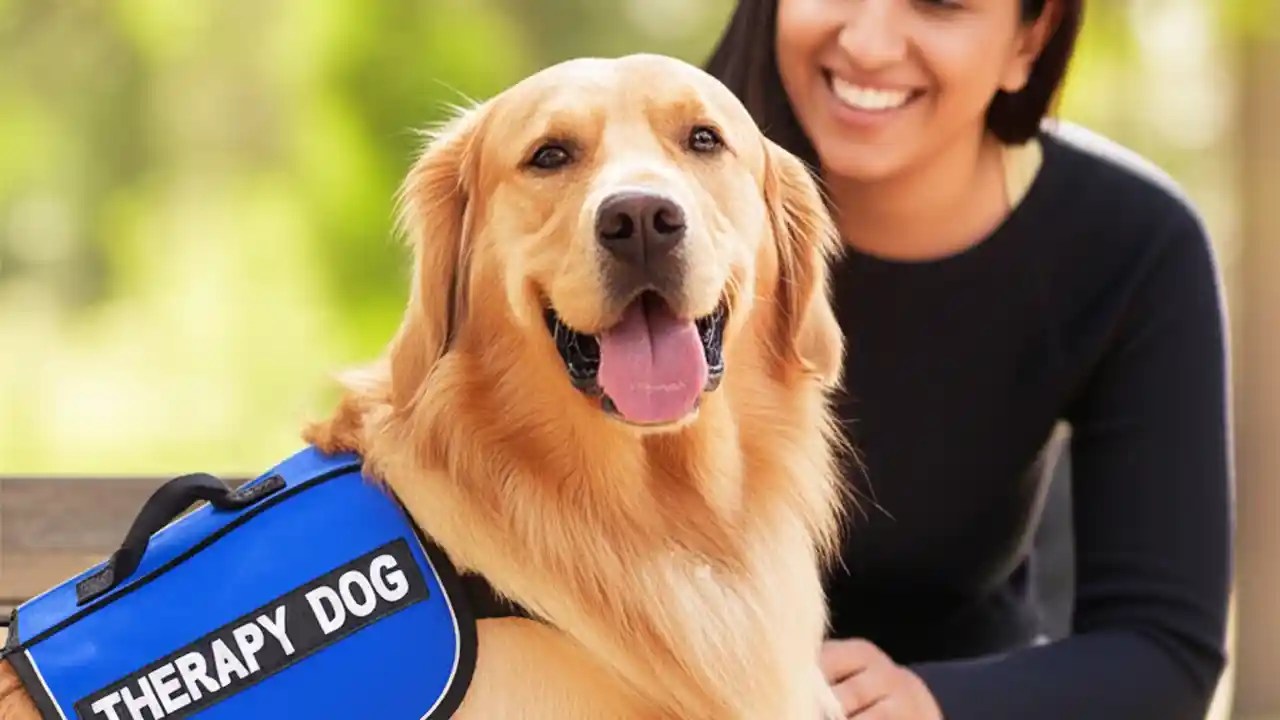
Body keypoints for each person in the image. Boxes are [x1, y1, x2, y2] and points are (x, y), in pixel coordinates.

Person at [704, 1, 1234, 718]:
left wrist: (931, 703)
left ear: (1031, 38)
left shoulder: (1129, 245)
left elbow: (1163, 652)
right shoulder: (625, 201)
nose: (867, 41)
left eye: (941, 2)